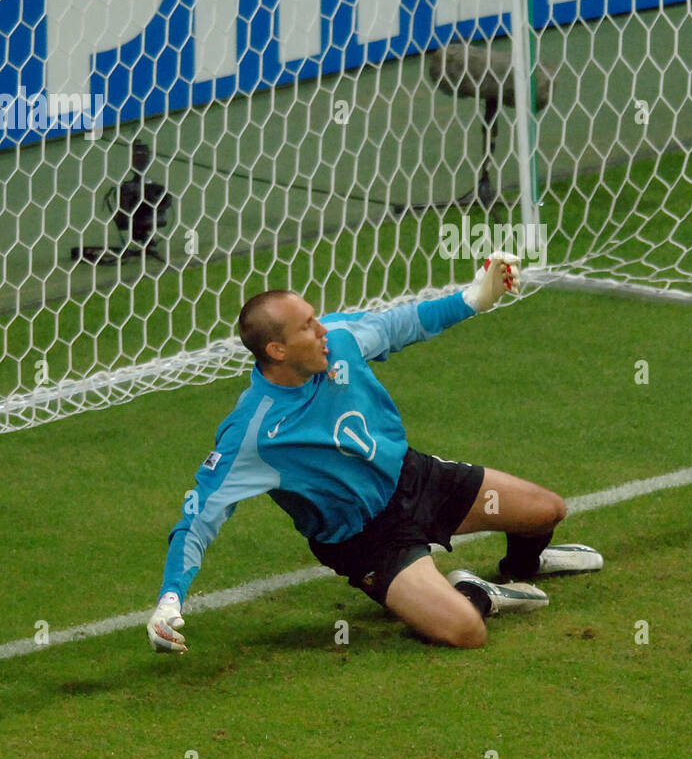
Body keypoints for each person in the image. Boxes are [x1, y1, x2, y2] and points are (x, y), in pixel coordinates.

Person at [147, 255, 603, 654]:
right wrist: (171, 599)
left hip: (413, 479)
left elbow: (402, 324)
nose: (322, 329)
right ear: (277, 349)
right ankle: (476, 591)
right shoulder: (253, 434)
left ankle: (520, 568)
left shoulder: (340, 339)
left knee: (547, 511)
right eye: (308, 325)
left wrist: (474, 297)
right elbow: (199, 518)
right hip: (366, 540)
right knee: (466, 631)